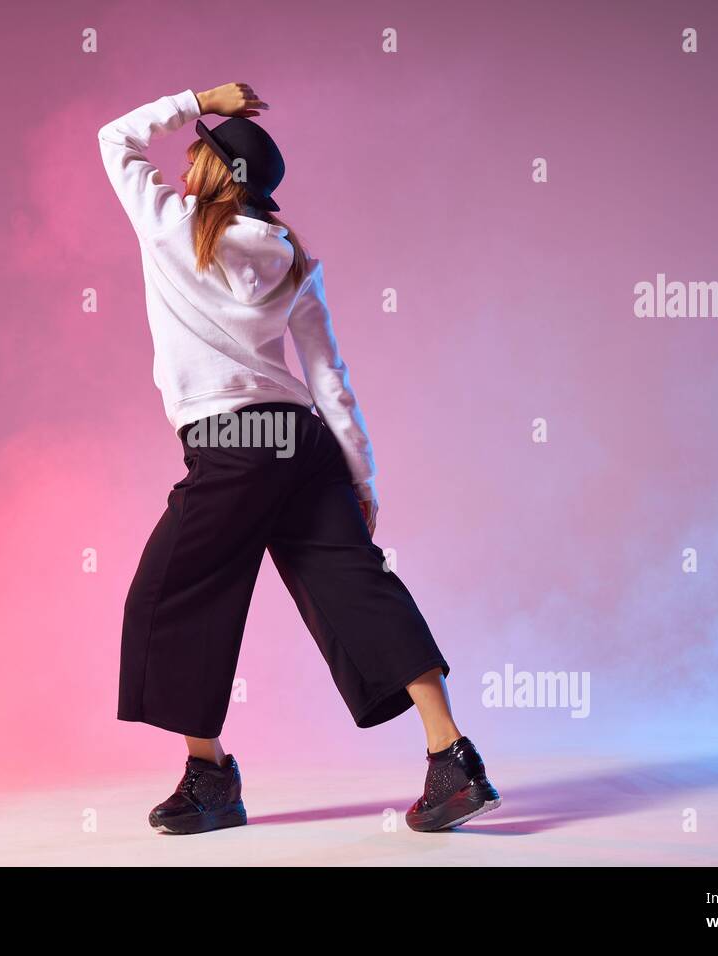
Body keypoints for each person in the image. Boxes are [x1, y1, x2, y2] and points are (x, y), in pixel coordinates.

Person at [97, 82, 500, 834]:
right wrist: (359, 475)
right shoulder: (293, 258)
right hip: (303, 440)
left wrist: (200, 97)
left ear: (216, 174)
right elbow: (328, 377)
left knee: (175, 595)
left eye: (195, 160)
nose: (184, 171)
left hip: (232, 442)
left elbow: (114, 138)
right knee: (359, 587)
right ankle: (453, 758)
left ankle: (211, 779)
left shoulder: (169, 226)